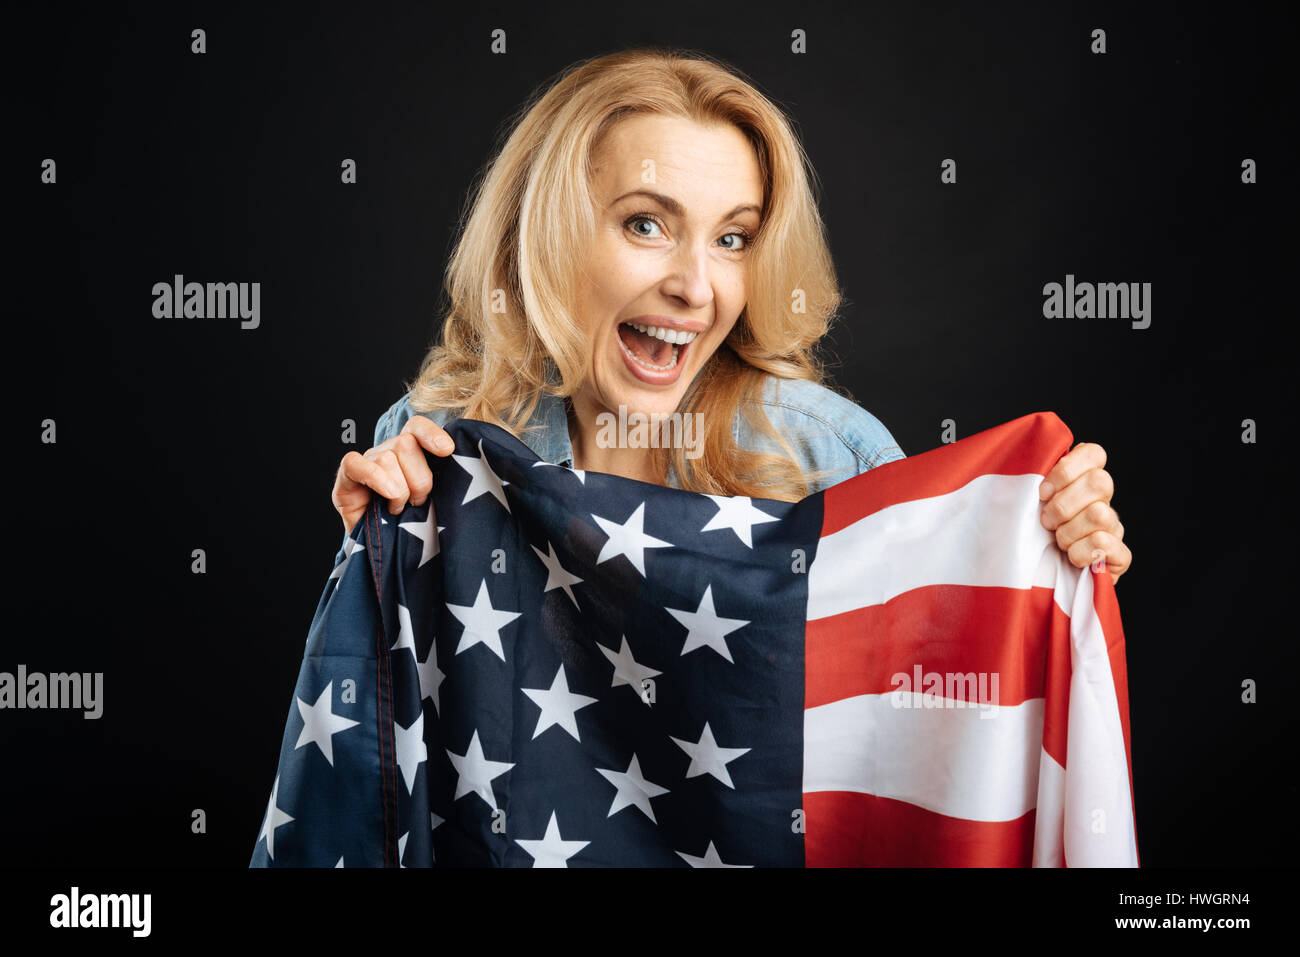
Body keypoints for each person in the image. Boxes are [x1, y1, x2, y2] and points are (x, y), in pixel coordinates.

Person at [330, 48, 1131, 584]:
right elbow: (382, 751)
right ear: (547, 235)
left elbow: (931, 702)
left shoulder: (829, 455)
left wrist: (1052, 559)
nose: (696, 286)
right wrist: (366, 553)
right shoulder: (436, 438)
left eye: (733, 238)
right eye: (646, 224)